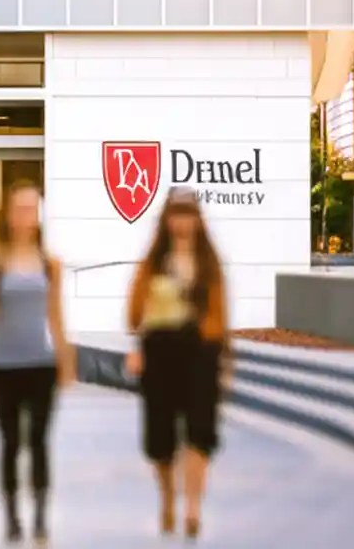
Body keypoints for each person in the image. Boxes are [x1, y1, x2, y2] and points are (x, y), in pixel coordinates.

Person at [0, 180, 75, 546]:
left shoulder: (49, 263)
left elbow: (56, 316)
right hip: (3, 366)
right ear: (7, 214)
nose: (28, 215)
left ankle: (40, 516)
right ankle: (12, 517)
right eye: (21, 208)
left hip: (40, 364)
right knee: (10, 442)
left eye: (33, 208)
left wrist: (66, 362)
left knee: (39, 441)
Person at [123, 187, 230, 541]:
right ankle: (168, 496)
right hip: (160, 352)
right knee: (161, 436)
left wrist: (224, 361)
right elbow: (135, 315)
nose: (182, 222)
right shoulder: (152, 263)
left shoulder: (208, 264)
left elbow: (220, 315)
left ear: (197, 221)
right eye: (176, 215)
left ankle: (194, 506)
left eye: (188, 215)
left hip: (200, 352)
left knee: (200, 431)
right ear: (167, 220)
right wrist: (139, 345)